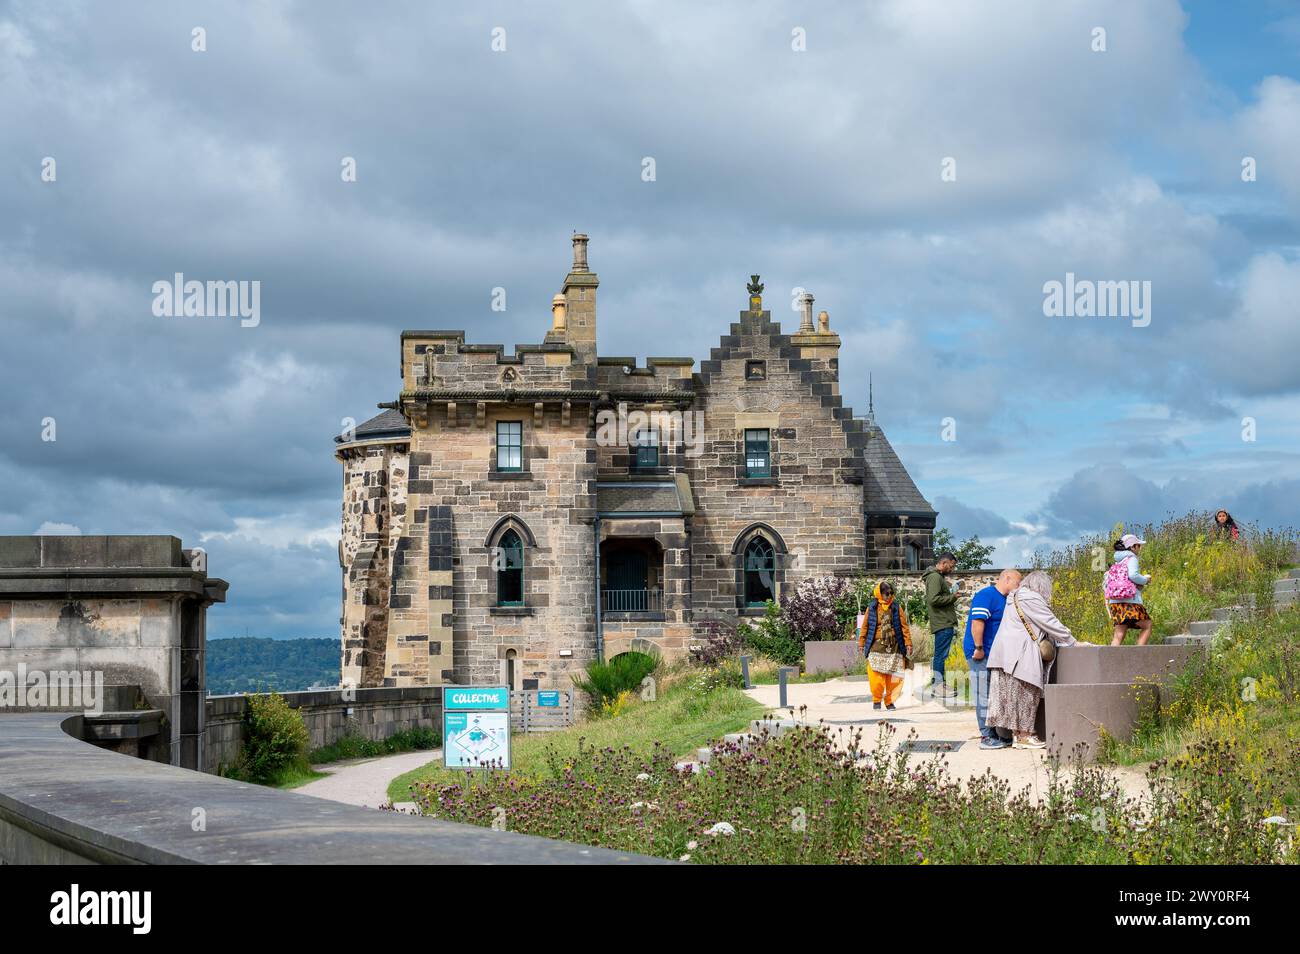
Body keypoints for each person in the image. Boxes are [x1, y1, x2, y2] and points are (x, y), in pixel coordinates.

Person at [987, 570, 1085, 749]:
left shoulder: (1015, 597)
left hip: (1004, 654)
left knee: (1011, 697)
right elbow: (1049, 622)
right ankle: (1025, 735)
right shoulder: (1031, 598)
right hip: (1020, 654)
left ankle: (1018, 735)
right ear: (1041, 586)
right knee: (1027, 694)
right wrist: (1073, 641)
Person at [964, 568, 1022, 749]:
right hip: (981, 653)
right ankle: (986, 736)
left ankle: (996, 734)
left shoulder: (1006, 600)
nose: (1018, 587)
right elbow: (977, 622)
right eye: (1017, 583)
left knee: (994, 695)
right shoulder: (986, 595)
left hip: (995, 654)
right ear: (1007, 578)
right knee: (983, 693)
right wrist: (979, 648)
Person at [859, 581, 912, 711]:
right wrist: (861, 643)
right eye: (886, 594)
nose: (889, 596)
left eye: (891, 593)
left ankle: (889, 701)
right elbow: (865, 626)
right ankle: (876, 700)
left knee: (893, 676)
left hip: (894, 646)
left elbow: (904, 626)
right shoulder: (872, 608)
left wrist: (908, 643)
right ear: (879, 594)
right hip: (876, 646)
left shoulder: (895, 607)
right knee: (876, 676)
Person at [922, 552, 960, 699]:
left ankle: (939, 684)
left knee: (940, 656)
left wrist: (950, 594)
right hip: (942, 622)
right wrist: (952, 597)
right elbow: (933, 600)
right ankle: (938, 687)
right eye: (951, 565)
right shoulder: (935, 577)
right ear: (944, 563)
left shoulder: (936, 577)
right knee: (940, 656)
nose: (952, 569)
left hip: (943, 621)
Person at [1105, 533, 1152, 646]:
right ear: (1132, 547)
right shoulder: (1132, 558)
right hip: (1130, 601)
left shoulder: (1118, 561)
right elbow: (1133, 575)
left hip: (1115, 602)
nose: (1139, 548)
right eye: (1138, 546)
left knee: (1119, 634)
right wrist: (1145, 579)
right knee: (1147, 625)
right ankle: (1138, 655)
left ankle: (1110, 659)